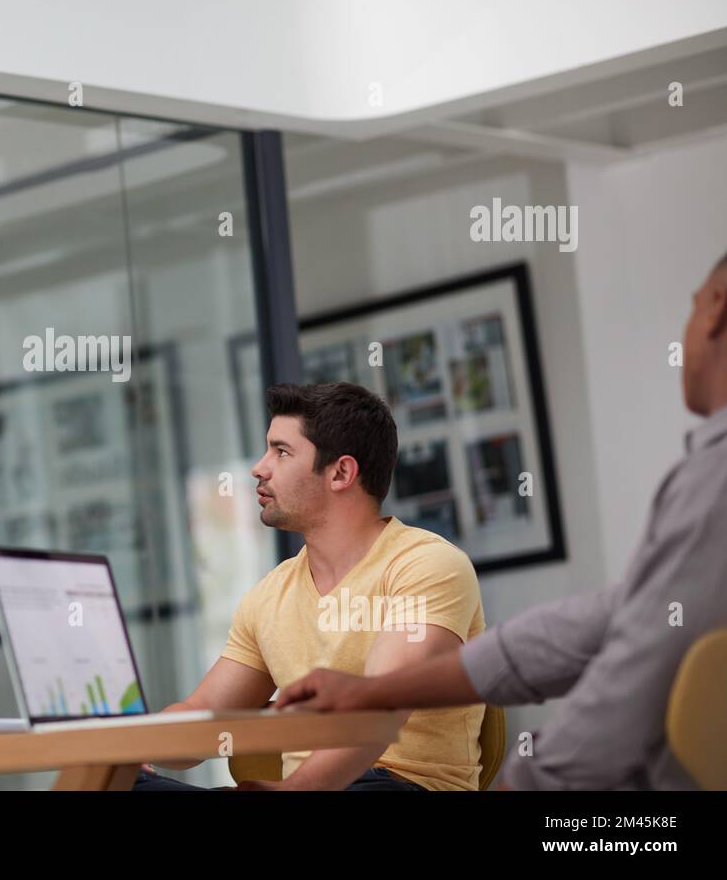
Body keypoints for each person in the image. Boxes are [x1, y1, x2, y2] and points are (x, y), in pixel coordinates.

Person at [275, 253, 727, 790]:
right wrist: (377, 692)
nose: (261, 470)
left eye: (280, 451)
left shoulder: (716, 477)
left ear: (715, 312)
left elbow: (642, 671)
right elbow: (604, 623)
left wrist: (529, 784)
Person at [135, 381, 486, 791]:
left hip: (399, 785)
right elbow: (203, 713)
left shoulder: (427, 564)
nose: (259, 467)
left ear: (341, 472)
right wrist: (133, 743)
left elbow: (381, 709)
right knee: (119, 784)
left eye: (281, 452)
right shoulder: (268, 597)